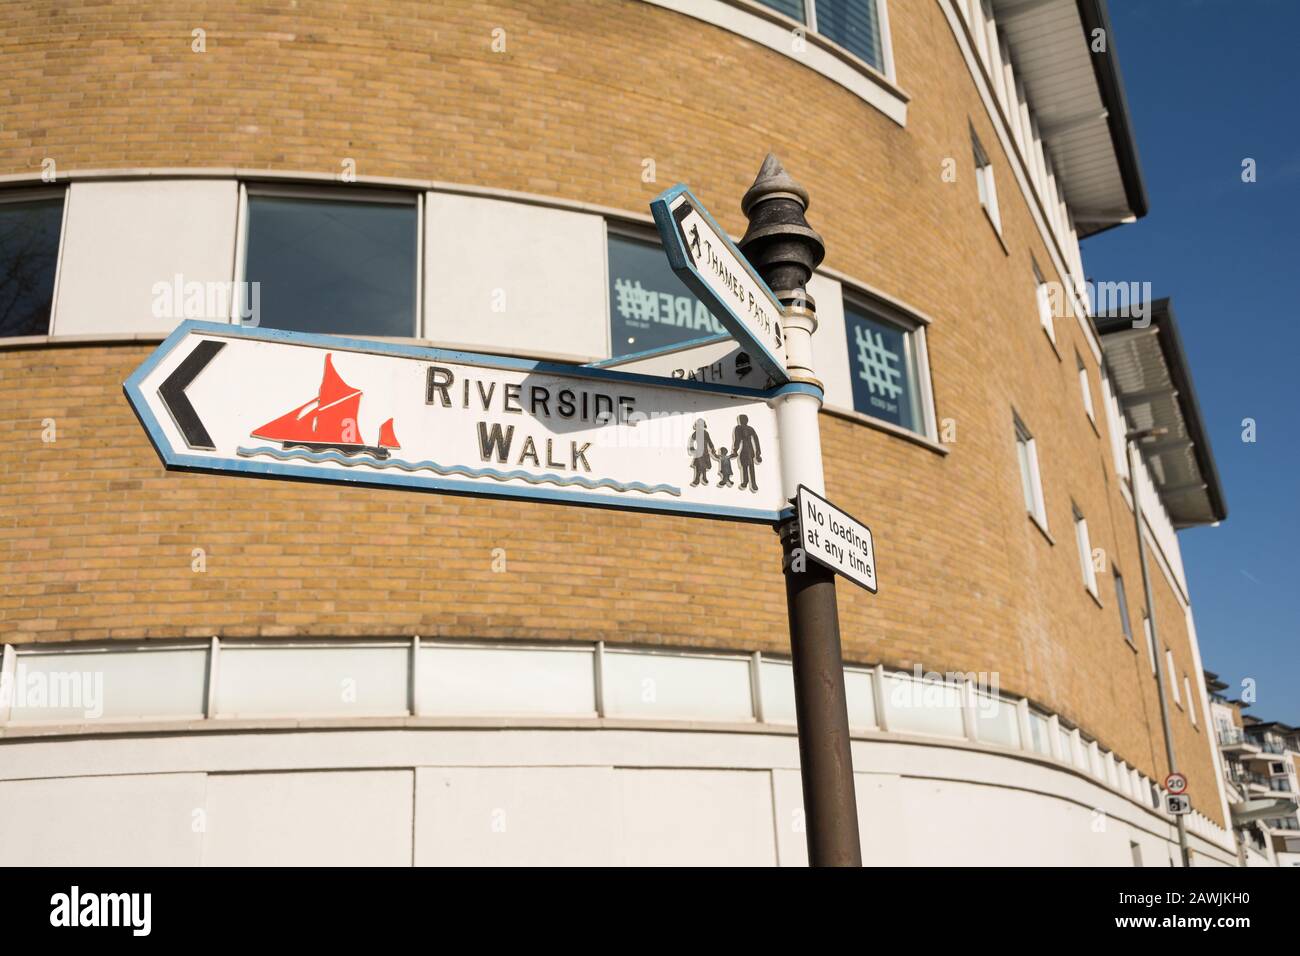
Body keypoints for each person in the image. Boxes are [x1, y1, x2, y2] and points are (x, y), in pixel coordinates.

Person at [732, 414, 762, 492]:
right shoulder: (746, 428)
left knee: (748, 465)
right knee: (747, 465)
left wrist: (758, 452)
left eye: (741, 419)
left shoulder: (741, 428)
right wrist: (758, 452)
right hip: (748, 448)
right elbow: (755, 440)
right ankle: (747, 482)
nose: (741, 421)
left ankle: (751, 483)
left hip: (747, 449)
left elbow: (755, 440)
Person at [688, 418, 716, 486]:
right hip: (699, 452)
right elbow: (691, 440)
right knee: (699, 465)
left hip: (705, 451)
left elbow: (709, 441)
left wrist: (712, 448)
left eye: (701, 424)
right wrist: (691, 447)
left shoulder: (706, 433)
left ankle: (704, 477)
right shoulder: (696, 433)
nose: (700, 426)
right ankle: (697, 479)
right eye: (699, 424)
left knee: (705, 465)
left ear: (704, 425)